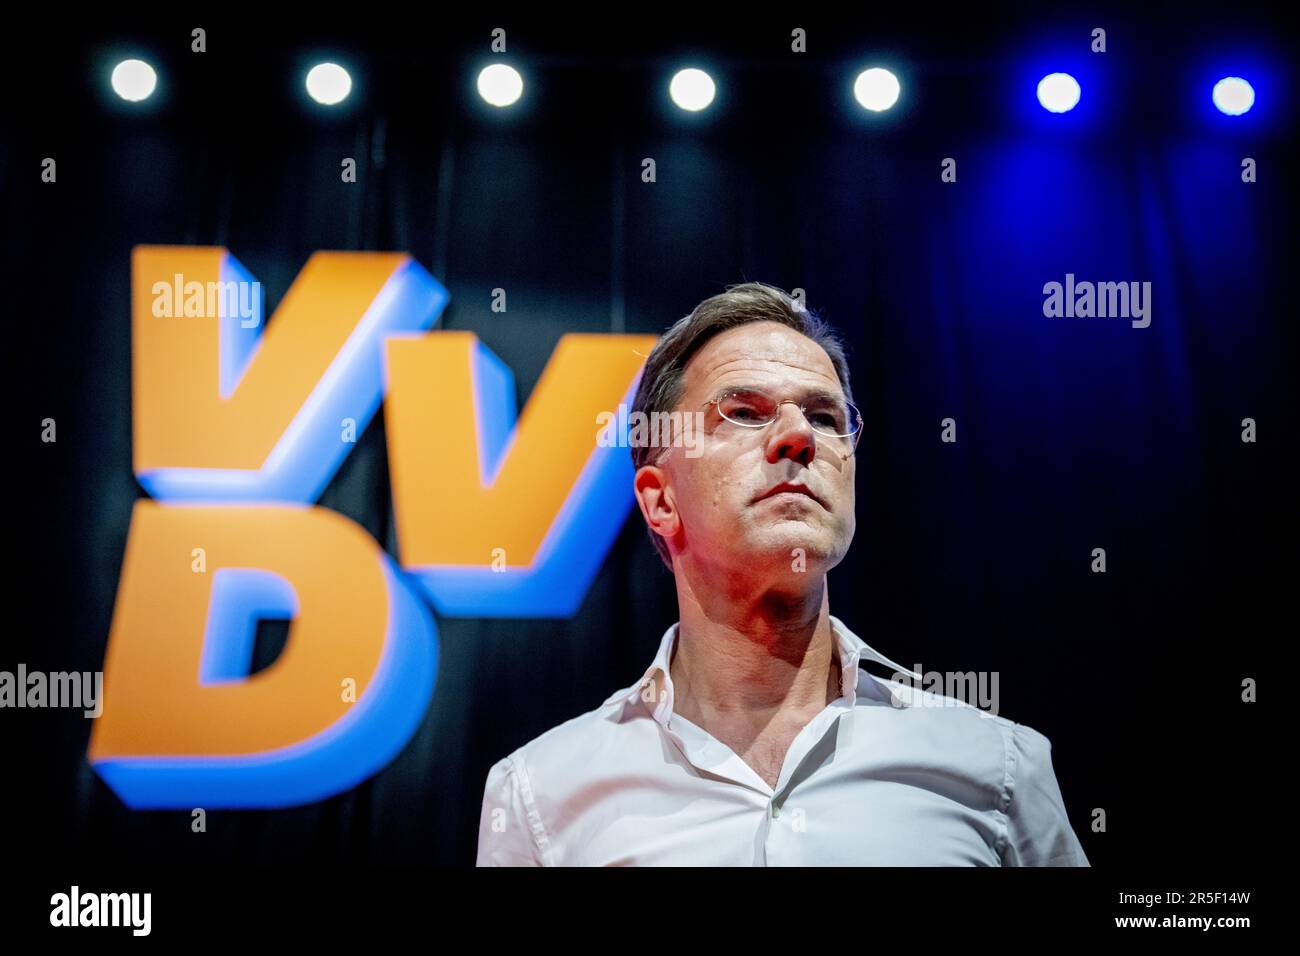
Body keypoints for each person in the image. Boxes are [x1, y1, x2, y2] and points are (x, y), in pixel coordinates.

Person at [476, 282, 1089, 866]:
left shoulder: (998, 766)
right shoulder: (540, 796)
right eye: (743, 412)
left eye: (825, 418)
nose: (798, 437)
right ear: (660, 501)